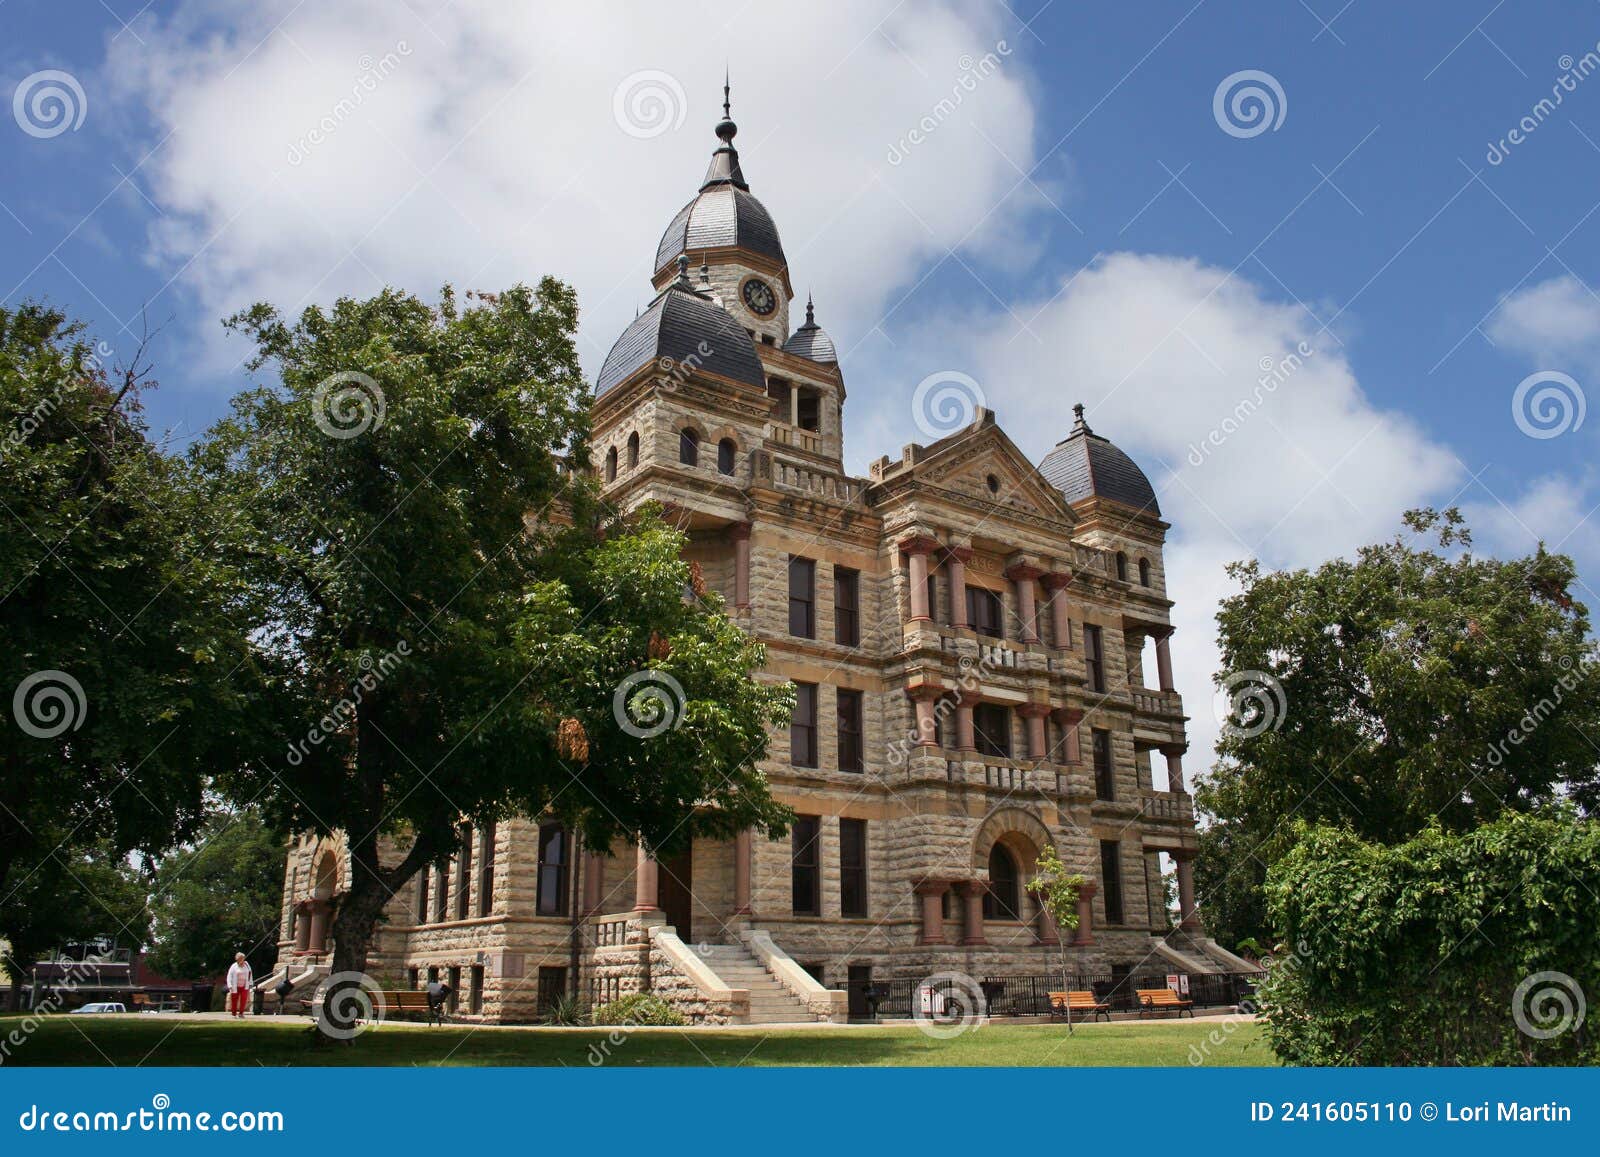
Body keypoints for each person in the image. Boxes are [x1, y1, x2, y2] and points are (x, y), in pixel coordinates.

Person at [225, 953, 252, 1019]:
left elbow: (250, 974)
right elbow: (229, 976)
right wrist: (230, 985)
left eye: (242, 958)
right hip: (235, 986)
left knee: (243, 999)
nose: (241, 960)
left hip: (244, 985)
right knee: (234, 1000)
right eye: (240, 958)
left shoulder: (247, 965)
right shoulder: (233, 966)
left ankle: (241, 1013)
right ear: (237, 959)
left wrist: (250, 983)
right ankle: (234, 1014)